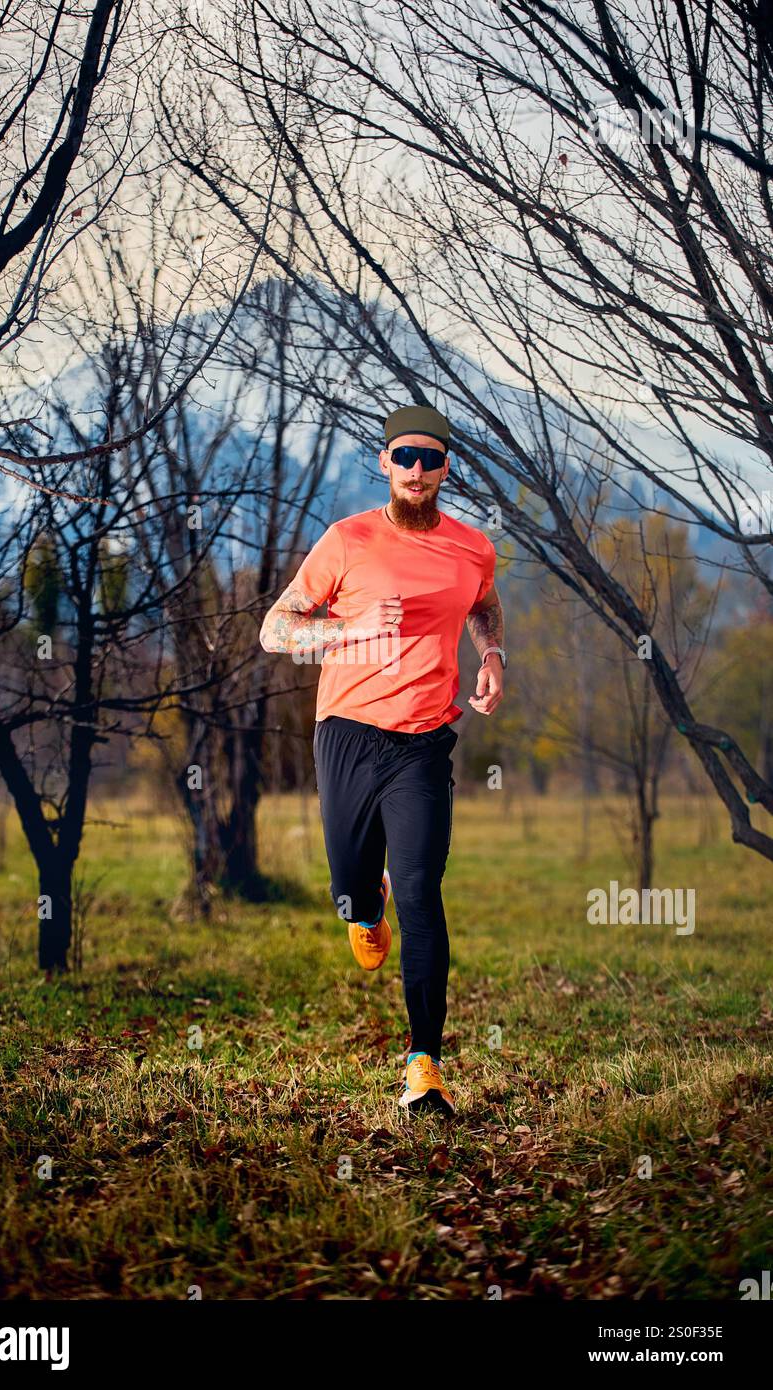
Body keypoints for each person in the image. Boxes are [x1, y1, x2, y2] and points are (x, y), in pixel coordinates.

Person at [260, 405, 506, 1114]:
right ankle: (364, 907)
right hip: (347, 732)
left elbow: (484, 605)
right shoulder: (347, 541)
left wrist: (490, 653)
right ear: (384, 462)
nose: (417, 471)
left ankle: (423, 1064)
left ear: (446, 466)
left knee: (424, 892)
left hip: (426, 740)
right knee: (352, 888)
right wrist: (352, 625)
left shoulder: (471, 547)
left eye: (430, 458)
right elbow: (275, 632)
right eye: (405, 457)